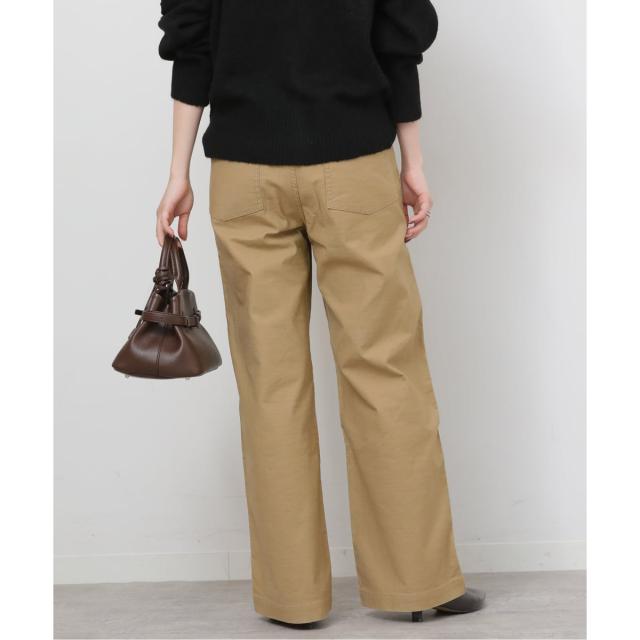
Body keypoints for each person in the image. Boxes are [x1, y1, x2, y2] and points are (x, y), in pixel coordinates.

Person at [156, 0, 485, 628]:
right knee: (385, 371)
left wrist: (178, 171)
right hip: (353, 166)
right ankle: (417, 584)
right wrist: (413, 162)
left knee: (270, 386)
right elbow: (399, 40)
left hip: (244, 174)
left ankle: (293, 600)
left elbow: (191, 45)